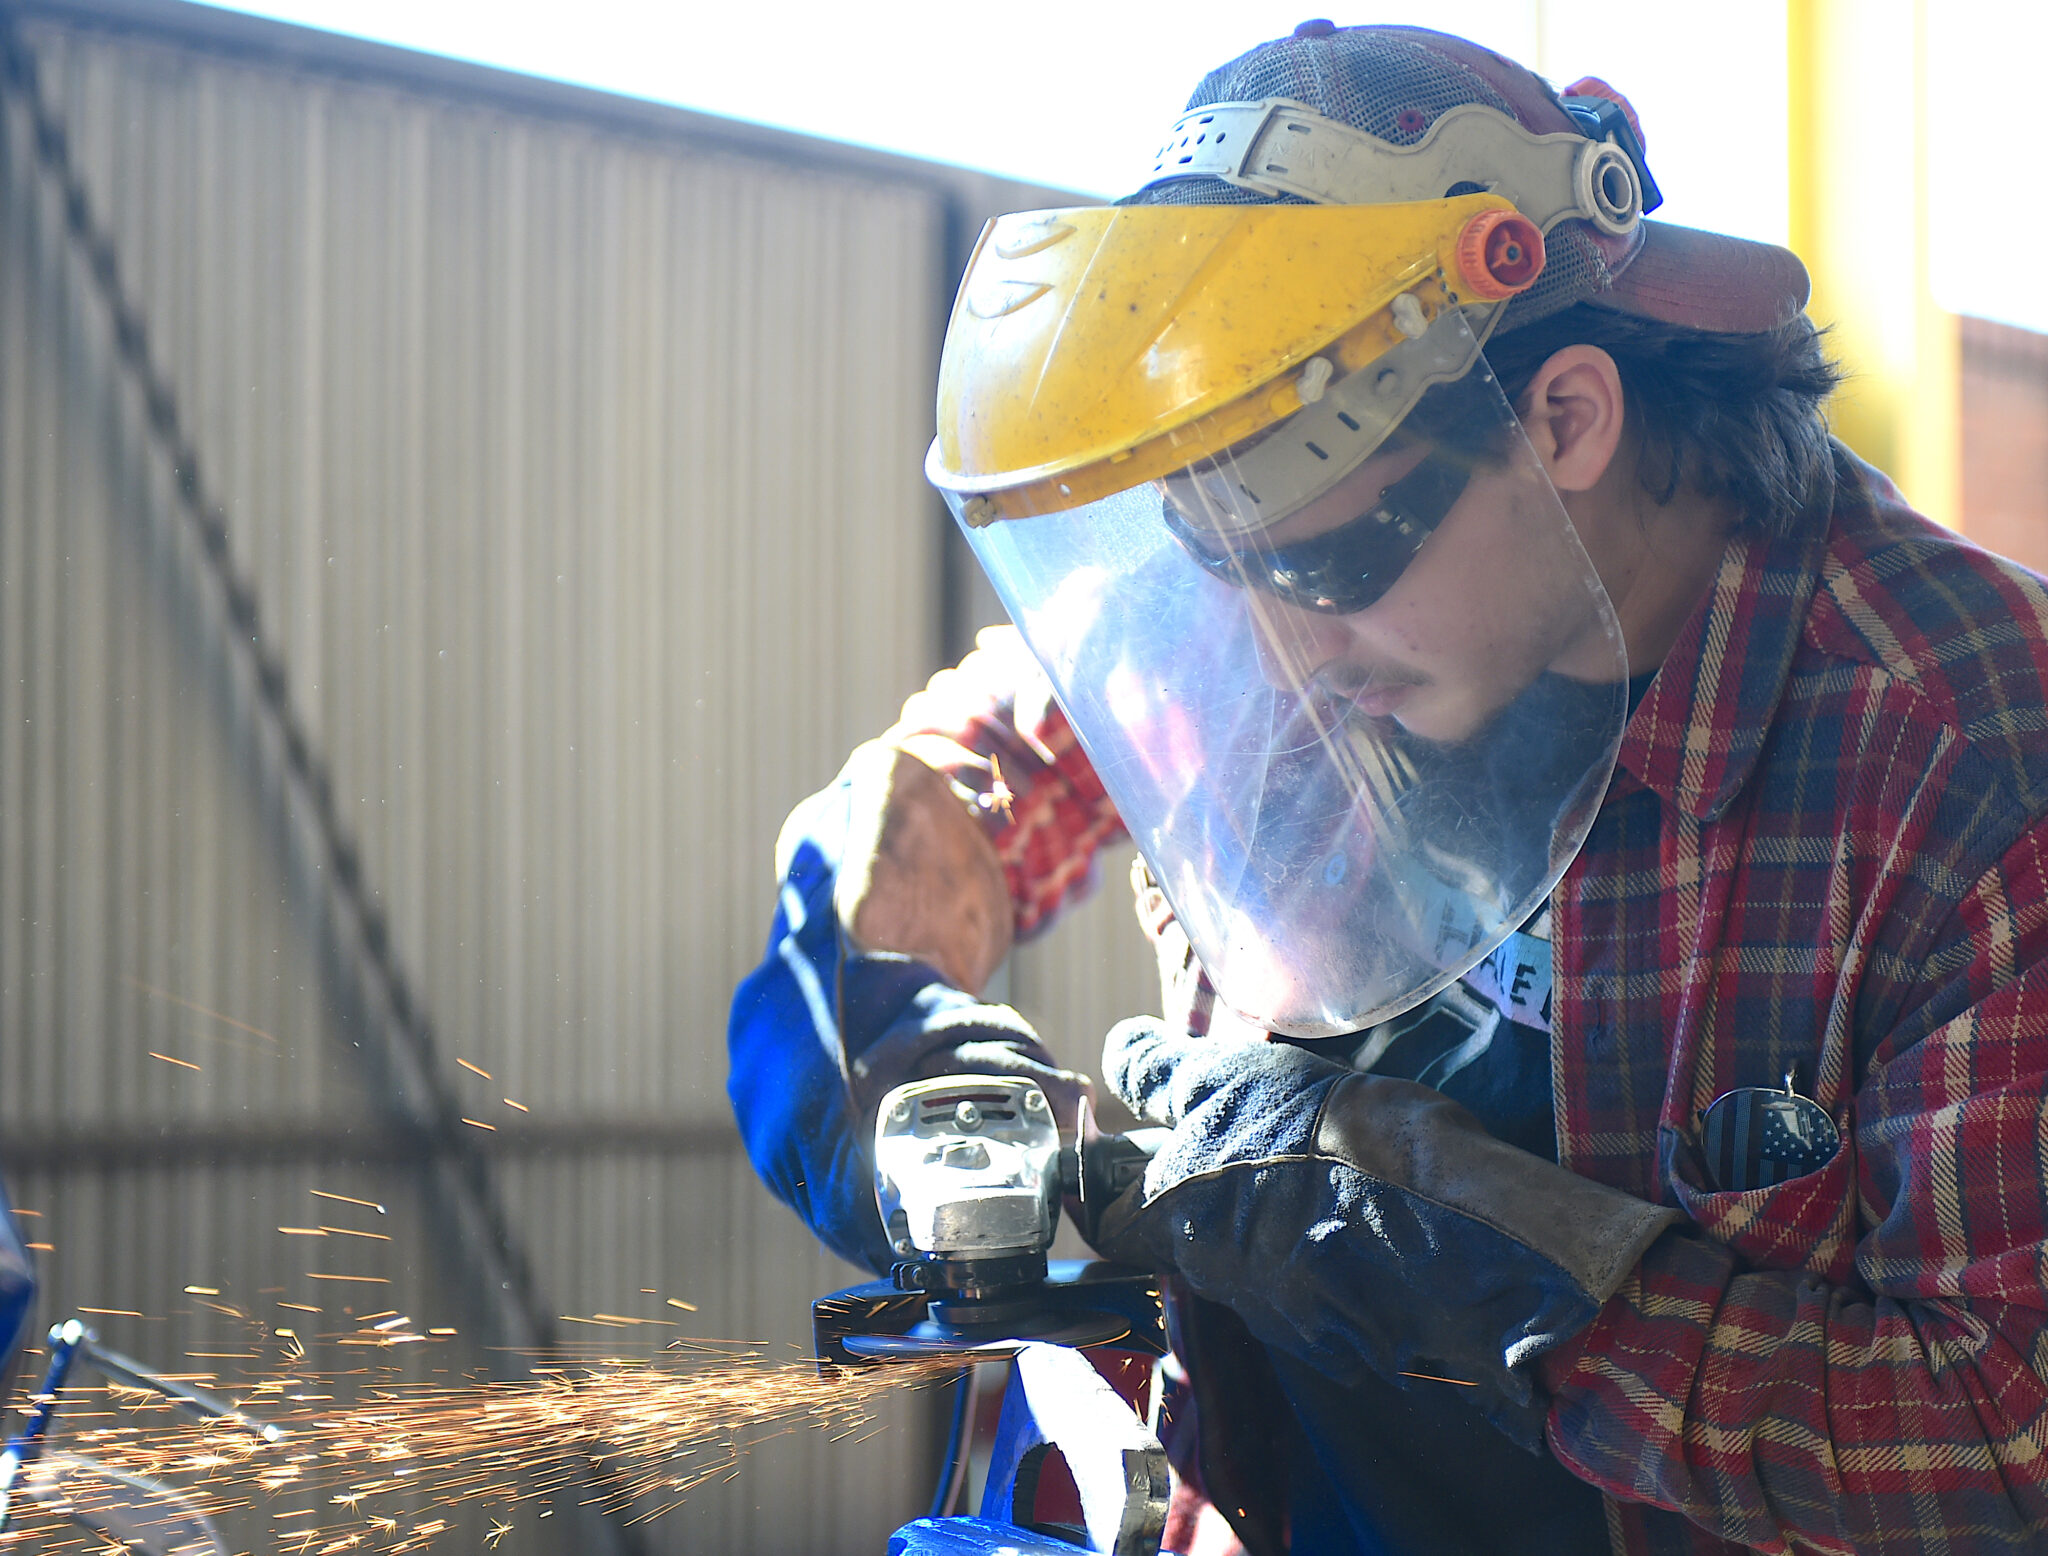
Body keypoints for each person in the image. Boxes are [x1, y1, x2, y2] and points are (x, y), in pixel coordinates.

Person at [728, 21, 2048, 1554]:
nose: (1276, 645)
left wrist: (1468, 1260)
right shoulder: (1277, 626)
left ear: (1561, 419)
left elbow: (2006, 1433)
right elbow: (945, 806)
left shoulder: (1966, 757)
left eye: (1326, 560)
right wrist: (889, 1056)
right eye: (1222, 567)